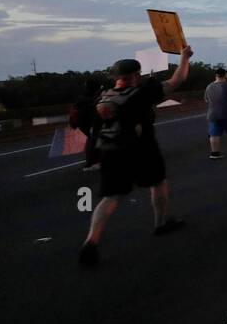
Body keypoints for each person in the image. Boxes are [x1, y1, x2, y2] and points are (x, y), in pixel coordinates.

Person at [77, 48, 193, 266]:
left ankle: (91, 241)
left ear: (115, 77)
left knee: (111, 197)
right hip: (141, 149)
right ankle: (160, 223)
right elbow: (178, 80)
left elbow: (95, 130)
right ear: (136, 75)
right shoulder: (142, 93)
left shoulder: (104, 97)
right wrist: (184, 58)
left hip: (111, 151)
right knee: (158, 183)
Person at [69, 77, 103, 170]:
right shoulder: (90, 98)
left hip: (82, 124)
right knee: (95, 140)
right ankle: (91, 163)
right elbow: (92, 107)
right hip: (87, 123)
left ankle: (92, 161)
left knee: (92, 140)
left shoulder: (83, 96)